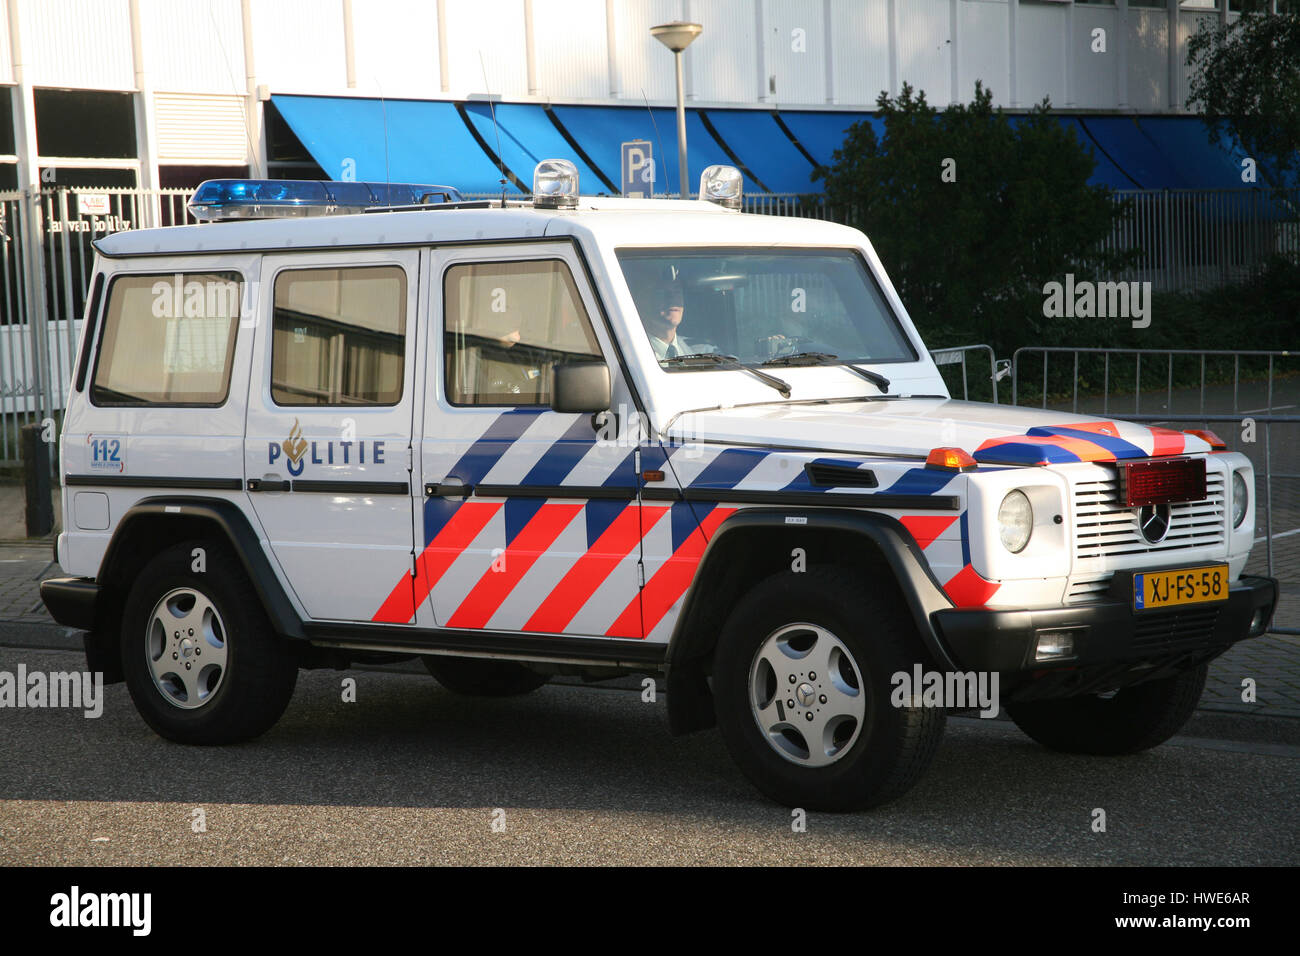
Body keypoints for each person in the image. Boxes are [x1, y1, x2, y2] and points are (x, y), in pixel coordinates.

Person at [643, 284, 695, 361]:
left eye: (677, 292)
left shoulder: (705, 350)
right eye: (662, 292)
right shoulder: (628, 353)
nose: (673, 298)